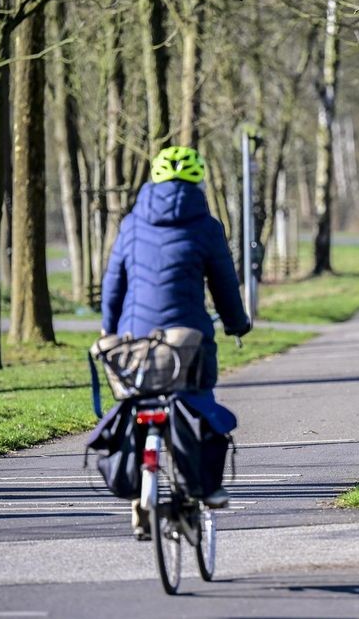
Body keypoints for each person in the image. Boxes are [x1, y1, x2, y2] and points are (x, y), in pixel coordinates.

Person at [101, 146, 250, 511]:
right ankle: (201, 485)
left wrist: (109, 330)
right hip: (187, 340)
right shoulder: (207, 227)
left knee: (138, 400)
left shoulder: (132, 224)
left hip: (134, 340)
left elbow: (112, 285)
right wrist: (236, 324)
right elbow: (225, 286)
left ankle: (138, 487)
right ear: (197, 182)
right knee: (197, 401)